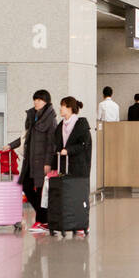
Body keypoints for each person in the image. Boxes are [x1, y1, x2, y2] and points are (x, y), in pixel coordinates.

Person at [9, 89, 57, 234]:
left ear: (46, 102)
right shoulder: (32, 116)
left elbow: (51, 144)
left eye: (39, 100)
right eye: (35, 99)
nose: (36, 102)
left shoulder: (51, 119)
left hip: (42, 161)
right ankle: (46, 219)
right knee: (27, 186)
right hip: (30, 160)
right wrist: (11, 145)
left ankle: (43, 221)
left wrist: (48, 163)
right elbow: (25, 138)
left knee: (41, 191)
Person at [50, 96, 93, 237]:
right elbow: (56, 146)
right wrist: (52, 166)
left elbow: (84, 144)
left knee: (78, 196)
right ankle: (67, 223)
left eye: (62, 106)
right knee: (66, 196)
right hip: (64, 167)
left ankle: (80, 223)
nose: (60, 108)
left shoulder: (81, 124)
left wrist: (68, 150)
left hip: (79, 168)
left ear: (69, 108)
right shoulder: (60, 126)